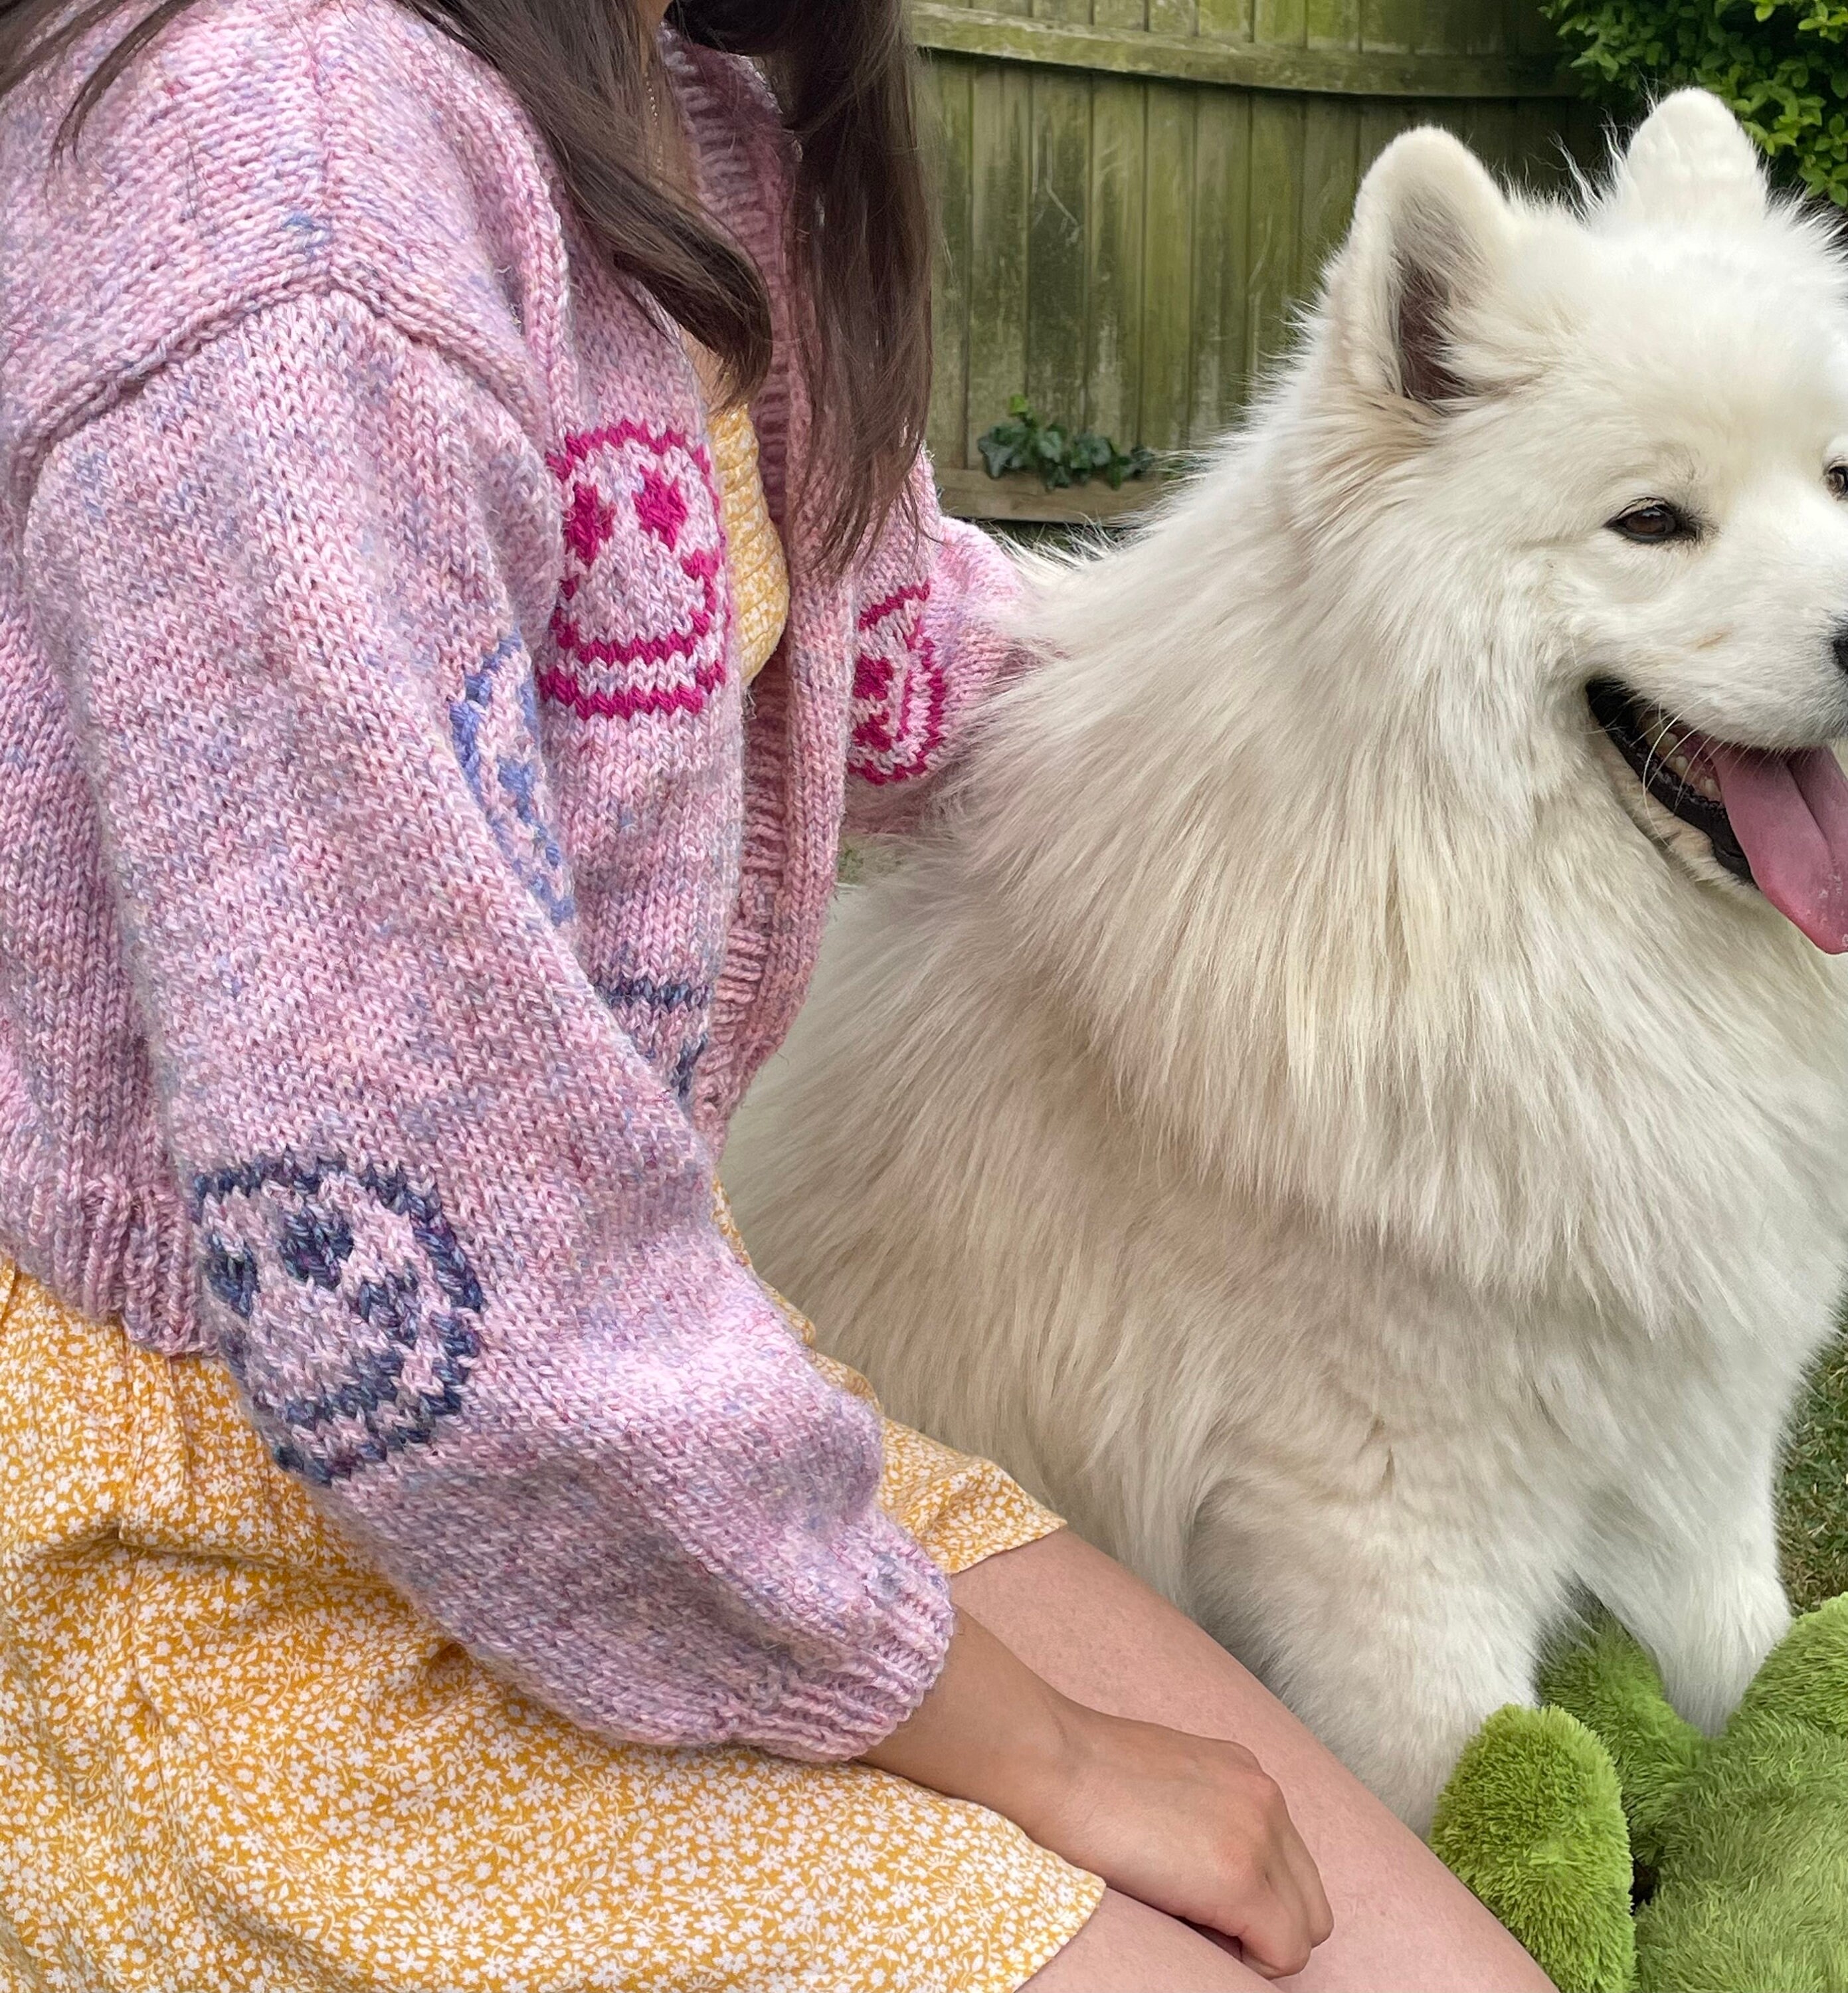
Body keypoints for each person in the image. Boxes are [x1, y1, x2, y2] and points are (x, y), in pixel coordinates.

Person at [0, 0, 1556, 1984]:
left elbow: (899, 654)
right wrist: (1043, 1749)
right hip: (245, 1553)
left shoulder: (702, 104)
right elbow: (432, 1263)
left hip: (663, 1436)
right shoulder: (286, 195)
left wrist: (1386, 720)